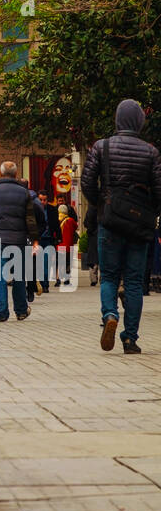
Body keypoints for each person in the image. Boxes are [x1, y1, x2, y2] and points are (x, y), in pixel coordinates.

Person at [80, 98, 161, 355]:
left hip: (111, 221)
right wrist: (149, 213)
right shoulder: (151, 152)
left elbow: (87, 182)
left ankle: (110, 315)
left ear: (117, 120)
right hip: (138, 223)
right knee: (135, 281)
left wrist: (102, 204)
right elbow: (159, 191)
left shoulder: (102, 147)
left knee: (110, 276)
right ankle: (130, 339)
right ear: (139, 122)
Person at [0, 161, 38, 323]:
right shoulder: (24, 193)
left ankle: (2, 313)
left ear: (0, 173)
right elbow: (30, 218)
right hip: (18, 239)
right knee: (18, 275)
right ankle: (21, 310)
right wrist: (34, 238)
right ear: (16, 174)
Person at [22, 181, 47, 302]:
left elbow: (42, 223)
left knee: (29, 266)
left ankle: (30, 289)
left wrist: (36, 236)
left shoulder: (34, 205)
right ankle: (28, 289)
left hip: (30, 239)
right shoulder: (35, 205)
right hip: (21, 238)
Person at [36, 191, 62, 294]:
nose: (42, 202)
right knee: (38, 263)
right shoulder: (35, 210)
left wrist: (59, 237)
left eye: (44, 200)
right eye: (40, 200)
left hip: (48, 240)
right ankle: (40, 283)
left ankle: (45, 284)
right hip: (37, 240)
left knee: (46, 263)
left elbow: (56, 224)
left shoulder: (52, 210)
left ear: (48, 200)